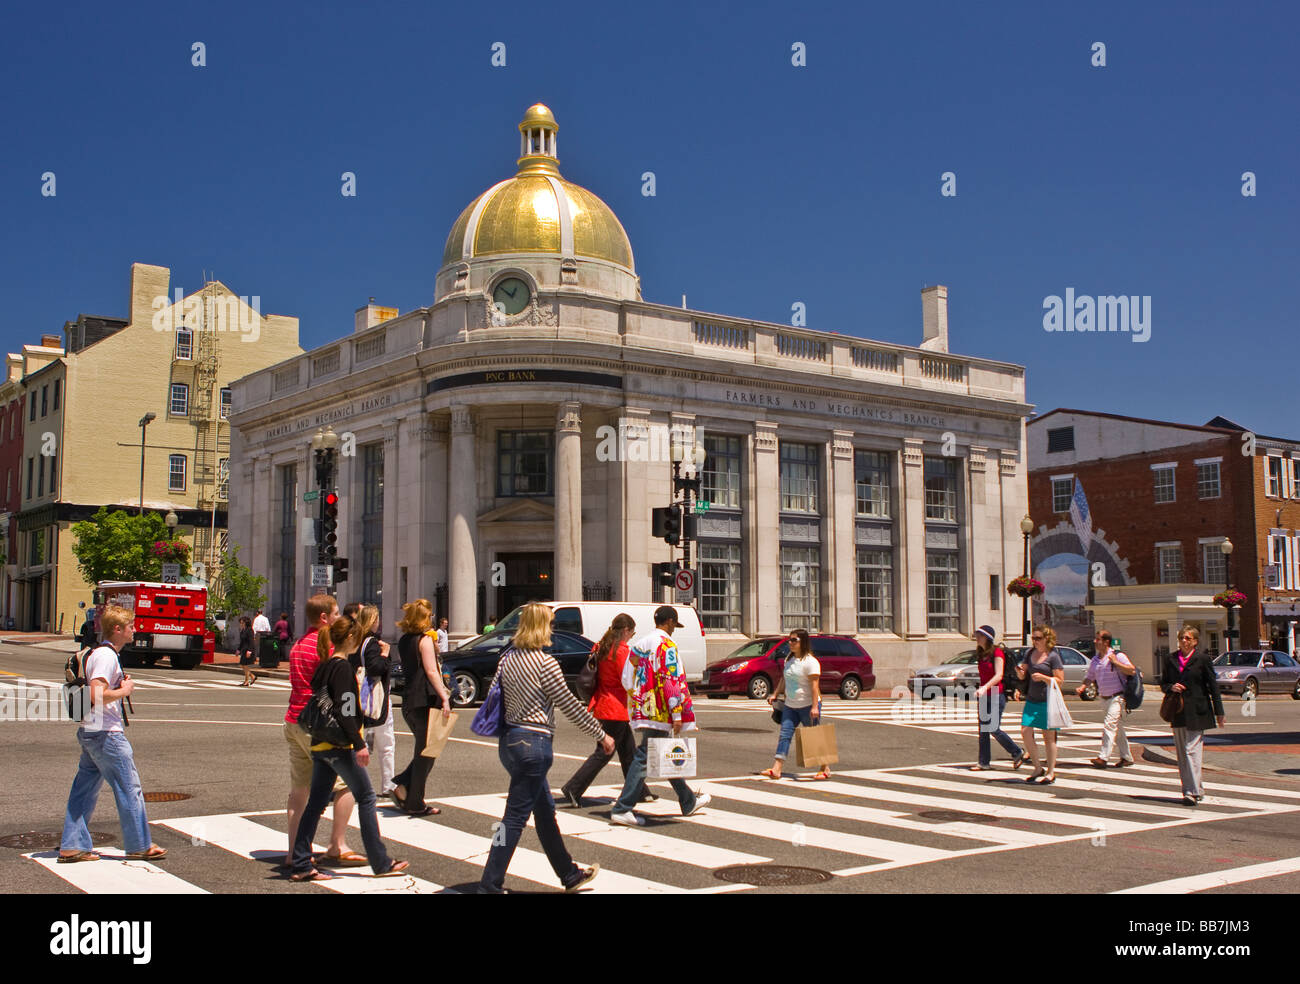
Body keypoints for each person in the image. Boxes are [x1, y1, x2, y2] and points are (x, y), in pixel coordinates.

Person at [479, 603, 613, 893]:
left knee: (544, 811)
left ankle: (569, 874)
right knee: (513, 819)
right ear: (542, 627)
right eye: (550, 624)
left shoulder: (507, 658)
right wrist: (601, 734)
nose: (553, 629)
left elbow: (494, 696)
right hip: (534, 744)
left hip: (510, 741)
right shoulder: (545, 663)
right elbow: (568, 704)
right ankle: (490, 884)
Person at [288, 614, 409, 881]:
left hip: (320, 742)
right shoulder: (342, 668)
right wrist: (359, 743)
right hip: (340, 744)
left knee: (316, 803)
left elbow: (322, 697)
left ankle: (300, 863)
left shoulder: (326, 665)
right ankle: (381, 861)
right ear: (351, 637)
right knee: (366, 797)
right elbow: (345, 710)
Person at [58, 605, 168, 863]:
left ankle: (72, 844)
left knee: (83, 791)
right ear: (117, 630)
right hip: (107, 734)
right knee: (129, 788)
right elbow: (96, 694)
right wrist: (125, 689)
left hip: (91, 729)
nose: (135, 629)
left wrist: (117, 683)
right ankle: (140, 844)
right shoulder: (107, 656)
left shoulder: (97, 653)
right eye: (131, 626)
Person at [609, 606, 710, 826]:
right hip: (662, 709)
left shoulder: (640, 644)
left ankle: (687, 799)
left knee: (662, 754)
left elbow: (628, 675)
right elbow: (670, 680)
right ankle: (623, 807)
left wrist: (637, 695)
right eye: (675, 624)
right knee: (646, 755)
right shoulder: (667, 646)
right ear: (671, 622)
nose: (675, 629)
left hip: (645, 706)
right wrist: (677, 713)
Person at [283, 593, 363, 869]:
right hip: (320, 727)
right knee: (346, 786)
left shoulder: (297, 646)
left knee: (299, 789)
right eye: (337, 612)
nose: (341, 617)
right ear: (325, 618)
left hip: (294, 720)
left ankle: (294, 849)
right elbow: (335, 695)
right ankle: (337, 844)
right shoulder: (327, 649)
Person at [559, 614, 655, 807]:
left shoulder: (601, 646)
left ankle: (640, 791)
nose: (632, 636)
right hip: (616, 707)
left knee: (628, 752)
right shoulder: (621, 651)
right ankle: (573, 788)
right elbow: (627, 678)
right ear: (626, 631)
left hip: (604, 703)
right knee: (604, 752)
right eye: (632, 633)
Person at [391, 599, 452, 816]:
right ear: (424, 618)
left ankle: (404, 786)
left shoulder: (405, 640)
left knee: (426, 750)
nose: (432, 619)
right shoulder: (424, 640)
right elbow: (431, 671)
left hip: (410, 700)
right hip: (424, 699)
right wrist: (444, 696)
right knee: (427, 751)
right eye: (430, 616)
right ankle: (413, 800)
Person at [1160, 626, 1226, 805]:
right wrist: (1171, 687)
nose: (1184, 641)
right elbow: (1163, 683)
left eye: (1188, 638)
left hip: (1198, 710)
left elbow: (1213, 687)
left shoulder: (1202, 659)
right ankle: (1194, 789)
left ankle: (1192, 791)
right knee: (1182, 754)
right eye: (1182, 638)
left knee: (1192, 751)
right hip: (1178, 710)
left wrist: (1219, 712)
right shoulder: (1170, 659)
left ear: (1195, 641)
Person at [759, 629, 829, 780]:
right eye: (789, 640)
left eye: (794, 640)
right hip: (791, 705)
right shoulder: (789, 660)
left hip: (807, 704)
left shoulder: (811, 662)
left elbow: (814, 686)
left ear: (802, 642)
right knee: (785, 734)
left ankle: (825, 767)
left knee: (813, 737)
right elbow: (784, 679)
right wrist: (775, 694)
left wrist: (815, 706)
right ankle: (776, 768)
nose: (790, 643)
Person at [349, 604, 396, 797]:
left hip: (356, 696)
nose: (379, 622)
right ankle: (388, 785)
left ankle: (357, 784)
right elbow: (376, 668)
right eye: (377, 619)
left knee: (362, 742)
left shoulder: (353, 641)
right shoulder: (372, 643)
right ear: (372, 620)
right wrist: (385, 655)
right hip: (375, 698)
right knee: (386, 743)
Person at [970, 624, 1026, 771]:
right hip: (984, 696)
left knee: (993, 728)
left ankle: (1017, 751)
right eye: (977, 634)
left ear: (987, 637)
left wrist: (984, 688)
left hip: (996, 694)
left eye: (980, 635)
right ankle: (983, 762)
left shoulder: (997, 652)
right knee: (983, 729)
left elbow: (998, 675)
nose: (977, 637)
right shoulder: (981, 653)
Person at [1079, 629, 1136, 768]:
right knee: (1118, 728)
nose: (1095, 641)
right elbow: (1090, 676)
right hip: (1104, 698)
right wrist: (1083, 686)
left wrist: (1116, 662)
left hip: (1117, 697)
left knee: (1109, 725)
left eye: (1098, 639)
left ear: (1106, 642)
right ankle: (1126, 757)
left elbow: (1132, 670)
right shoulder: (1095, 659)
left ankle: (1103, 757)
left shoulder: (1118, 656)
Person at [1017, 625, 1065, 784]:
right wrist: (1019, 674)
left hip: (1048, 700)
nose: (1035, 641)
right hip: (1032, 698)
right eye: (1033, 638)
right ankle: (1037, 767)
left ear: (1046, 639)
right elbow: (1023, 674)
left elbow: (1060, 680)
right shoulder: (1030, 653)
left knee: (1048, 737)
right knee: (1025, 731)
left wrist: (1045, 678)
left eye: (1038, 638)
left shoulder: (1053, 656)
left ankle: (1051, 771)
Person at [237, 616, 258, 687]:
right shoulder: (243, 630)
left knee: (245, 665)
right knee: (243, 664)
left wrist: (249, 651)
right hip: (244, 649)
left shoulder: (249, 630)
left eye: (242, 623)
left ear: (246, 623)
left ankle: (246, 681)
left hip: (248, 650)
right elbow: (242, 642)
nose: (241, 624)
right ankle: (252, 676)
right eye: (240, 623)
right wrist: (238, 649)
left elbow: (251, 641)